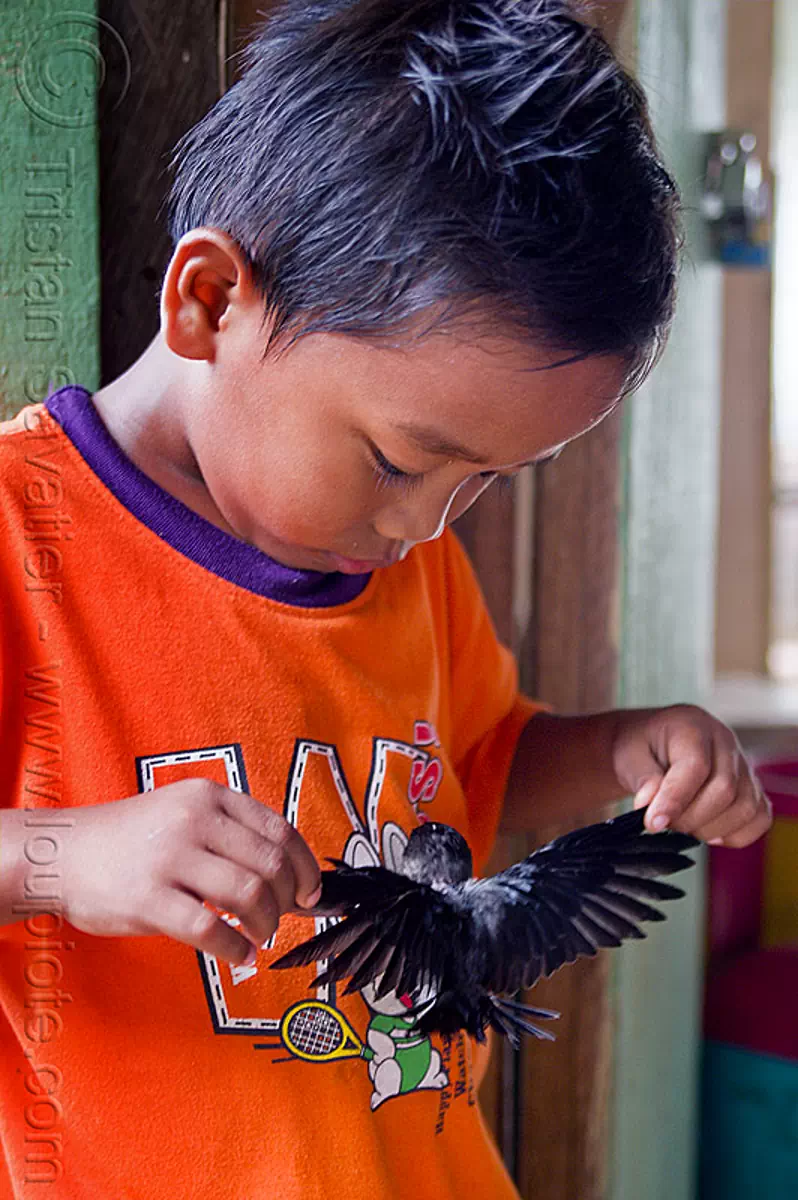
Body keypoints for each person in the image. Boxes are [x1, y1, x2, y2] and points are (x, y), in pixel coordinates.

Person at [0, 0, 771, 1196]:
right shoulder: (21, 536)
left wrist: (626, 751)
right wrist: (58, 859)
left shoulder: (406, 565)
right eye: (401, 462)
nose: (424, 526)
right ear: (209, 304)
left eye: (487, 485)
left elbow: (479, 763)